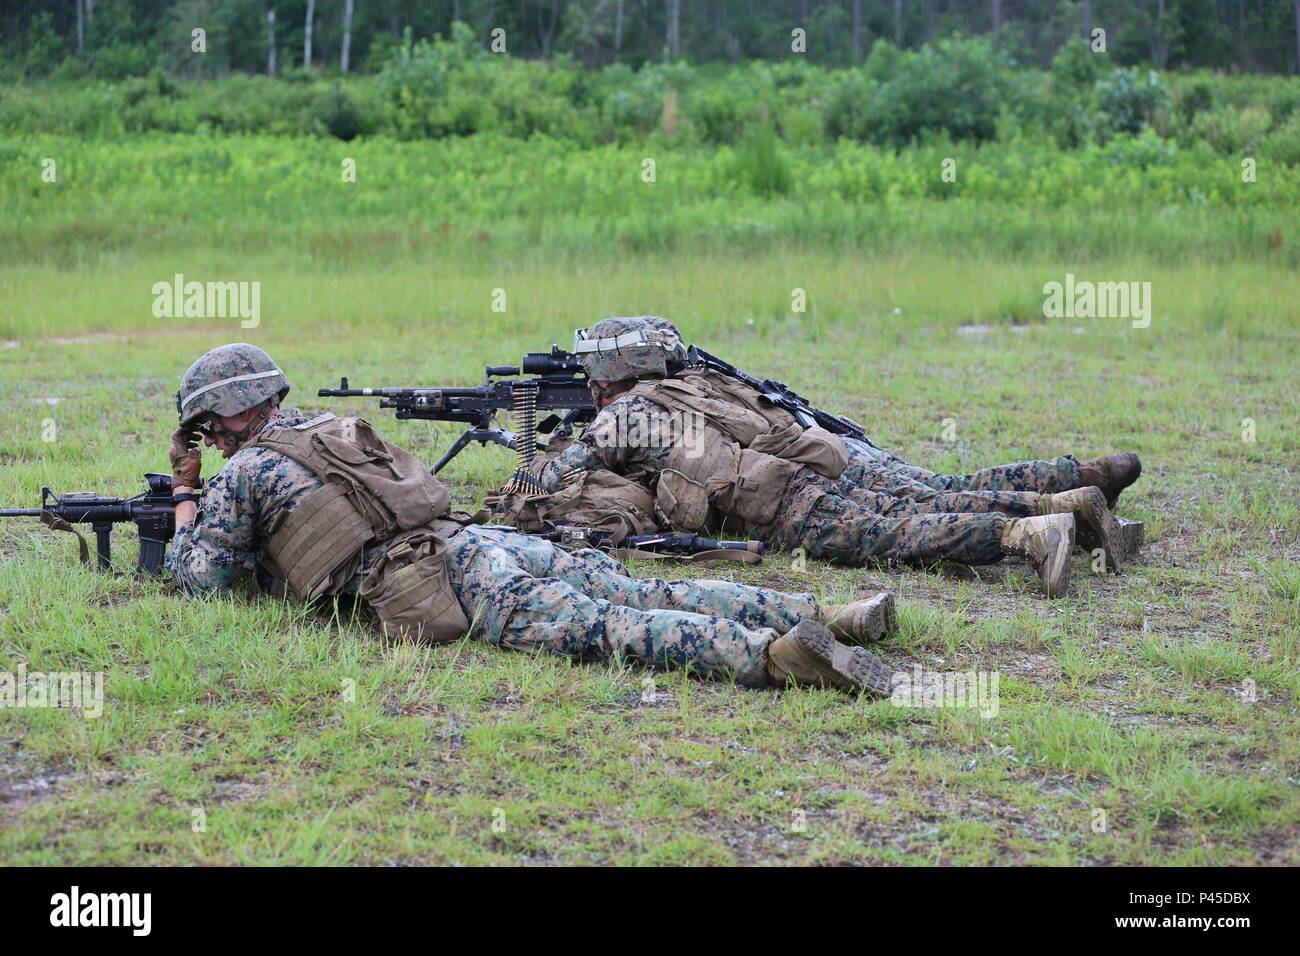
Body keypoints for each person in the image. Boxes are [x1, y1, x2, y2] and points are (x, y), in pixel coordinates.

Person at [163, 343, 903, 695]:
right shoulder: (325, 427)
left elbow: (202, 579)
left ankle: (773, 658)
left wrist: (185, 495)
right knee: (646, 591)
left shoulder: (248, 474)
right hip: (482, 539)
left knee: (603, 626)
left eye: (208, 428)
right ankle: (826, 612)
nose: (211, 440)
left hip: (442, 575)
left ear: (221, 420)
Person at [529, 317, 1144, 598]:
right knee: (930, 495)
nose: (585, 380)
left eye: (591, 370)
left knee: (898, 532)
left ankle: (1028, 532)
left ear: (609, 370)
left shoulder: (625, 414)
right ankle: (1065, 496)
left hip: (779, 499)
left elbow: (557, 475)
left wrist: (530, 457)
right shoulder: (688, 385)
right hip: (811, 465)